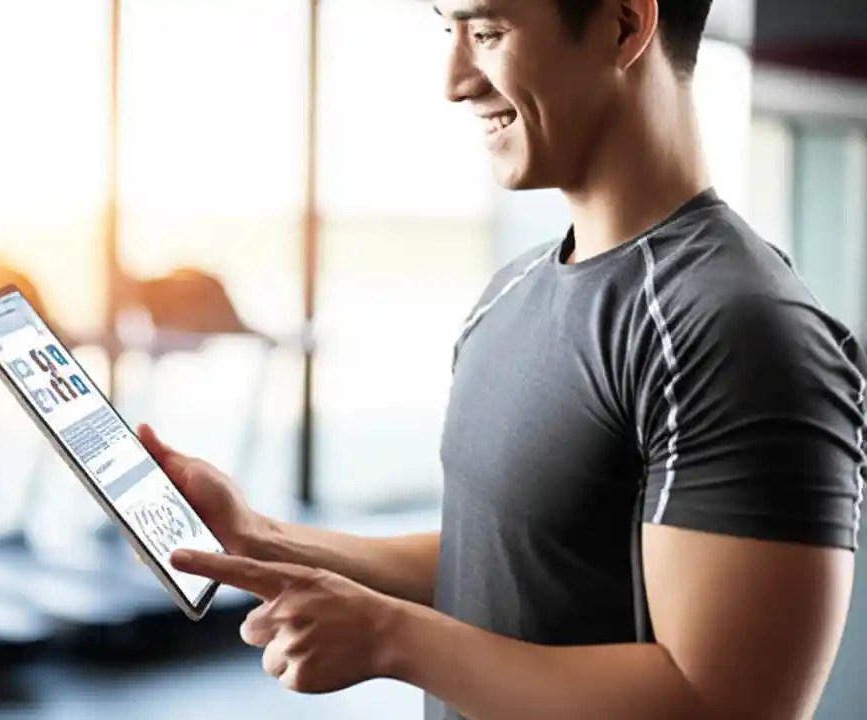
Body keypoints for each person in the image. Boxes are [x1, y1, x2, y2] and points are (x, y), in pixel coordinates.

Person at [135, 0, 867, 717]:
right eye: (449, 31)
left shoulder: (741, 330)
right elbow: (506, 562)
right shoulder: (511, 293)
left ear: (624, 26)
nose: (454, 81)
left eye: (486, 32)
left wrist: (392, 637)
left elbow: (723, 704)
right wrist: (259, 535)